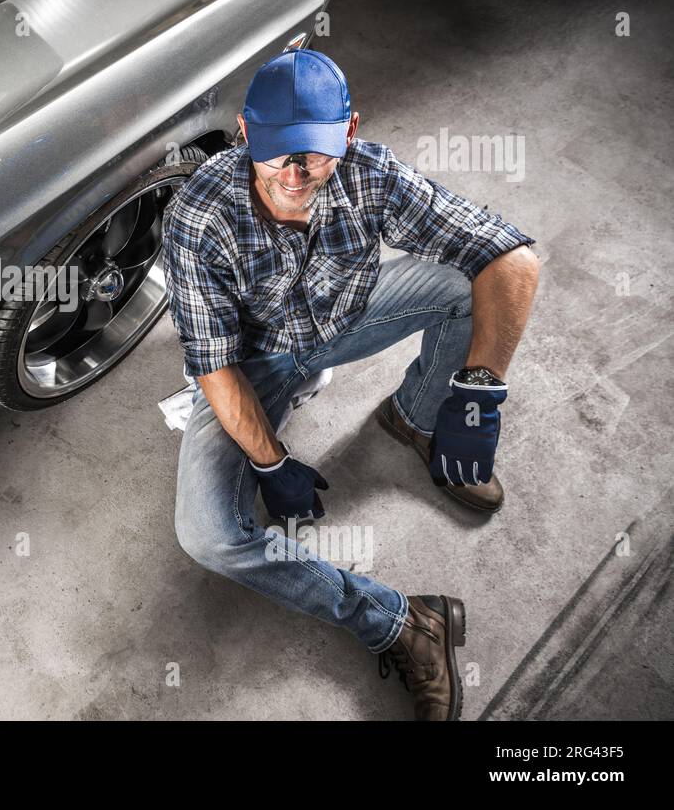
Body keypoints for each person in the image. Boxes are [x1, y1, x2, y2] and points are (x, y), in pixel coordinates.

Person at [161, 49, 540, 720]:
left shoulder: (373, 174)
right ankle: (403, 624)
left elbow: (511, 258)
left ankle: (417, 420)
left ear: (351, 133)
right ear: (246, 134)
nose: (297, 176)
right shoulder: (199, 217)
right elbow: (216, 368)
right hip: (254, 362)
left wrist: (479, 393)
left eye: (316, 155)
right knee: (209, 534)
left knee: (467, 285)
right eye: (279, 154)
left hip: (342, 319)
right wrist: (270, 462)